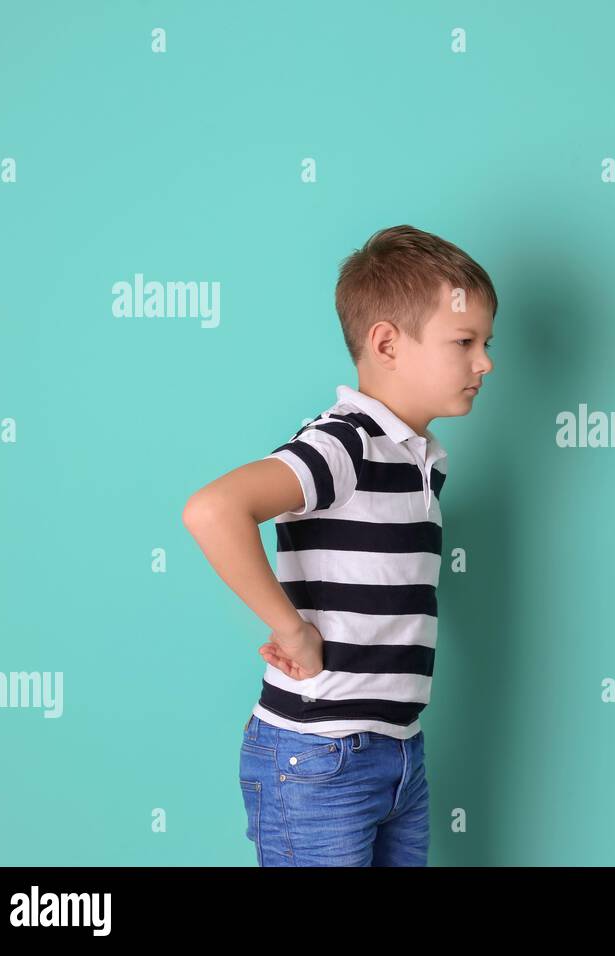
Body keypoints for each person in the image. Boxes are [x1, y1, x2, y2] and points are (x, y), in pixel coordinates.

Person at [182, 225, 496, 865]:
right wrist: (290, 629)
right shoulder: (344, 444)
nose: (485, 362)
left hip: (399, 751)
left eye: (486, 344)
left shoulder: (422, 463)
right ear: (387, 343)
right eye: (464, 342)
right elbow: (214, 509)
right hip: (320, 754)